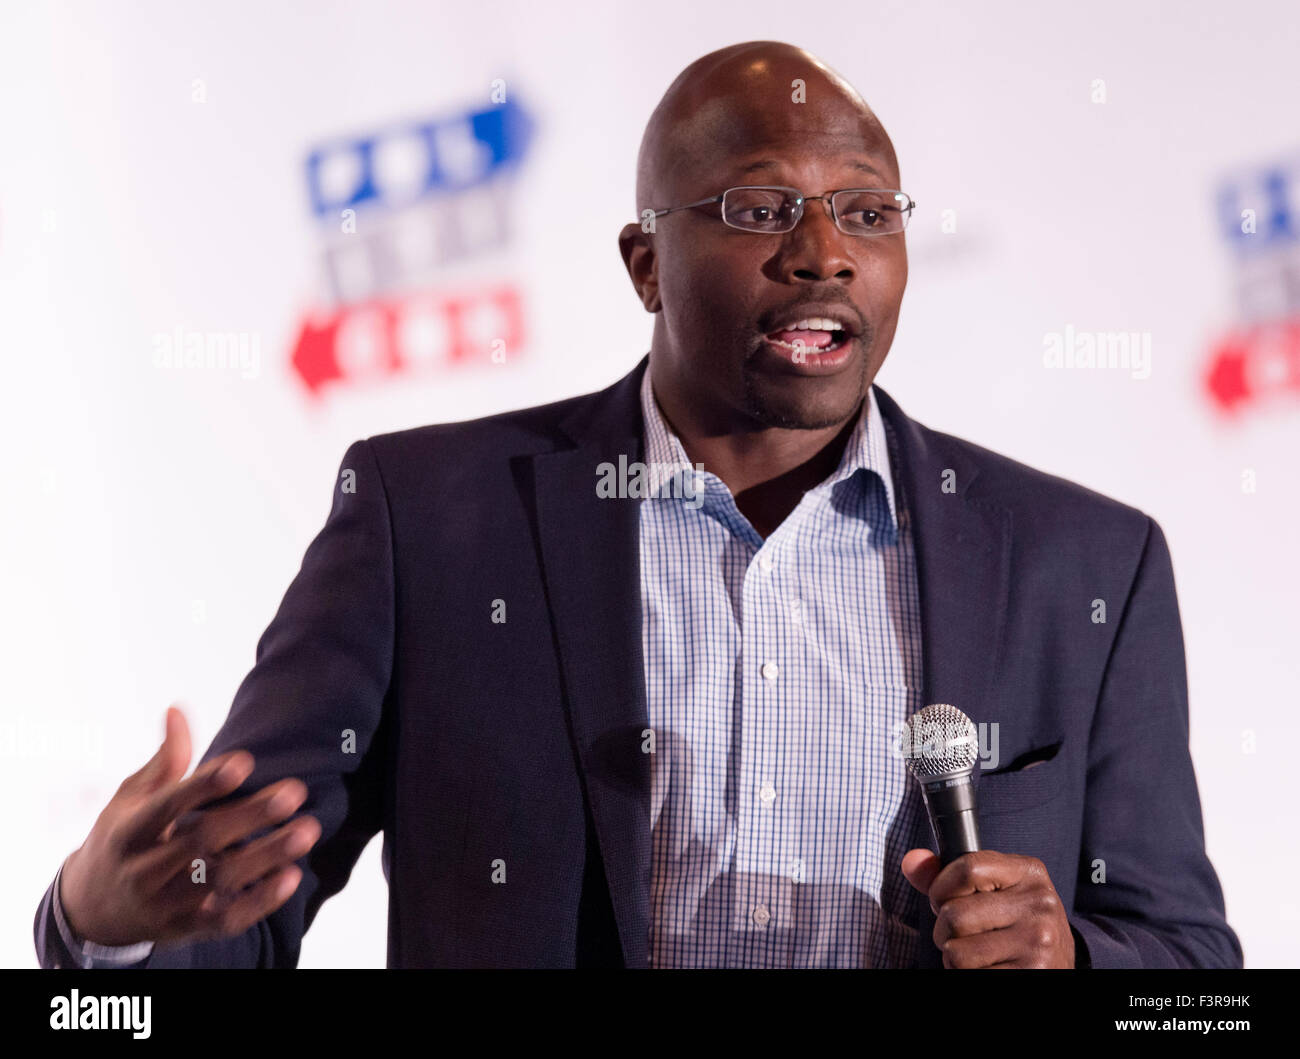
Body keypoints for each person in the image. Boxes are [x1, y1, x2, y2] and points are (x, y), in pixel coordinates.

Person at [34, 40, 1242, 969]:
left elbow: (1192, 983)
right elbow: (236, 914)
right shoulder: (429, 520)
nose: (823, 251)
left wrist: (1074, 956)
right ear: (645, 262)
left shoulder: (1083, 560)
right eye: (763, 209)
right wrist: (104, 929)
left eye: (867, 212)